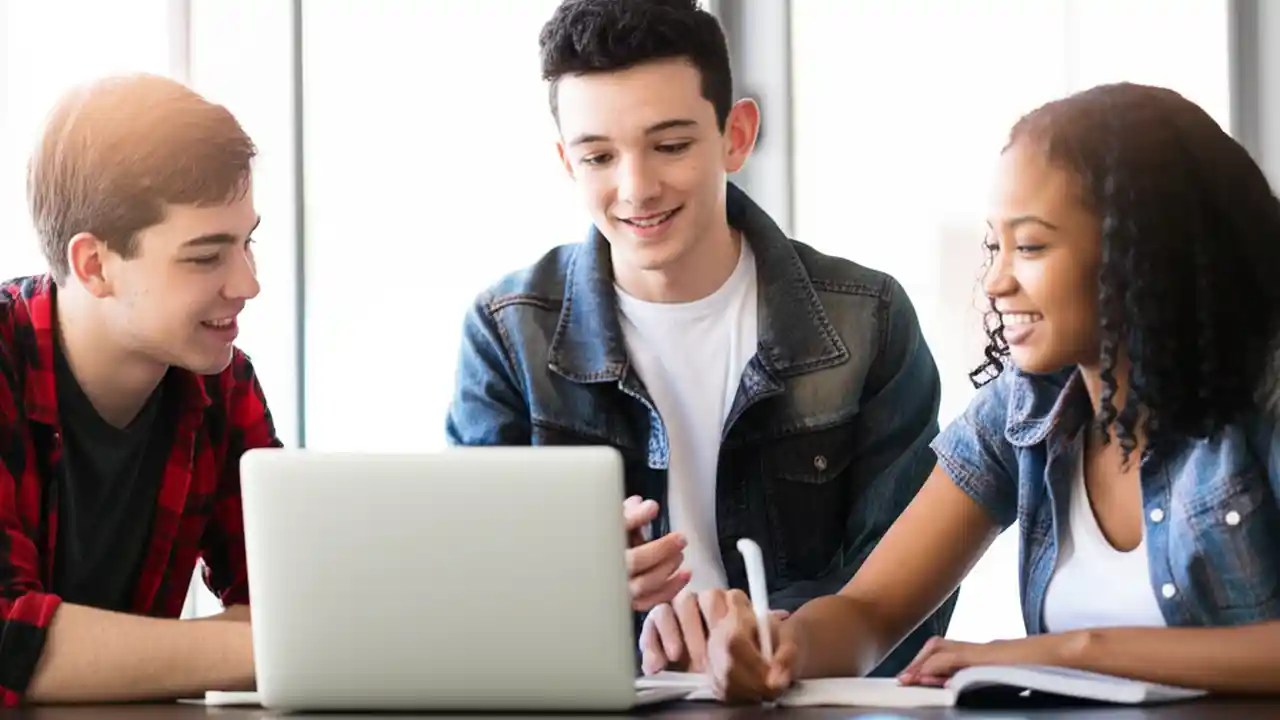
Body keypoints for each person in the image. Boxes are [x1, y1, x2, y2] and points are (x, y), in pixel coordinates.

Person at [707, 82, 1280, 701]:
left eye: (1029, 245)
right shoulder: (1022, 407)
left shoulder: (1264, 397)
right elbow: (870, 610)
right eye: (993, 245)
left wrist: (1070, 653)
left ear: (1141, 251)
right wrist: (784, 644)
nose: (997, 280)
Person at [445, 0, 952, 676]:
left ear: (736, 134)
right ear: (568, 161)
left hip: (801, 695)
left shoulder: (867, 318)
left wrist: (758, 640)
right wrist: (572, 590)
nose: (637, 188)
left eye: (671, 145)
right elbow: (469, 591)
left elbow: (906, 592)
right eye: (599, 156)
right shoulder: (508, 331)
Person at [0, 74, 281, 705]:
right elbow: (6, 642)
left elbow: (290, 596)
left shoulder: (222, 384)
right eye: (207, 256)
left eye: (248, 242)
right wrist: (268, 646)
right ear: (94, 265)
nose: (248, 283)